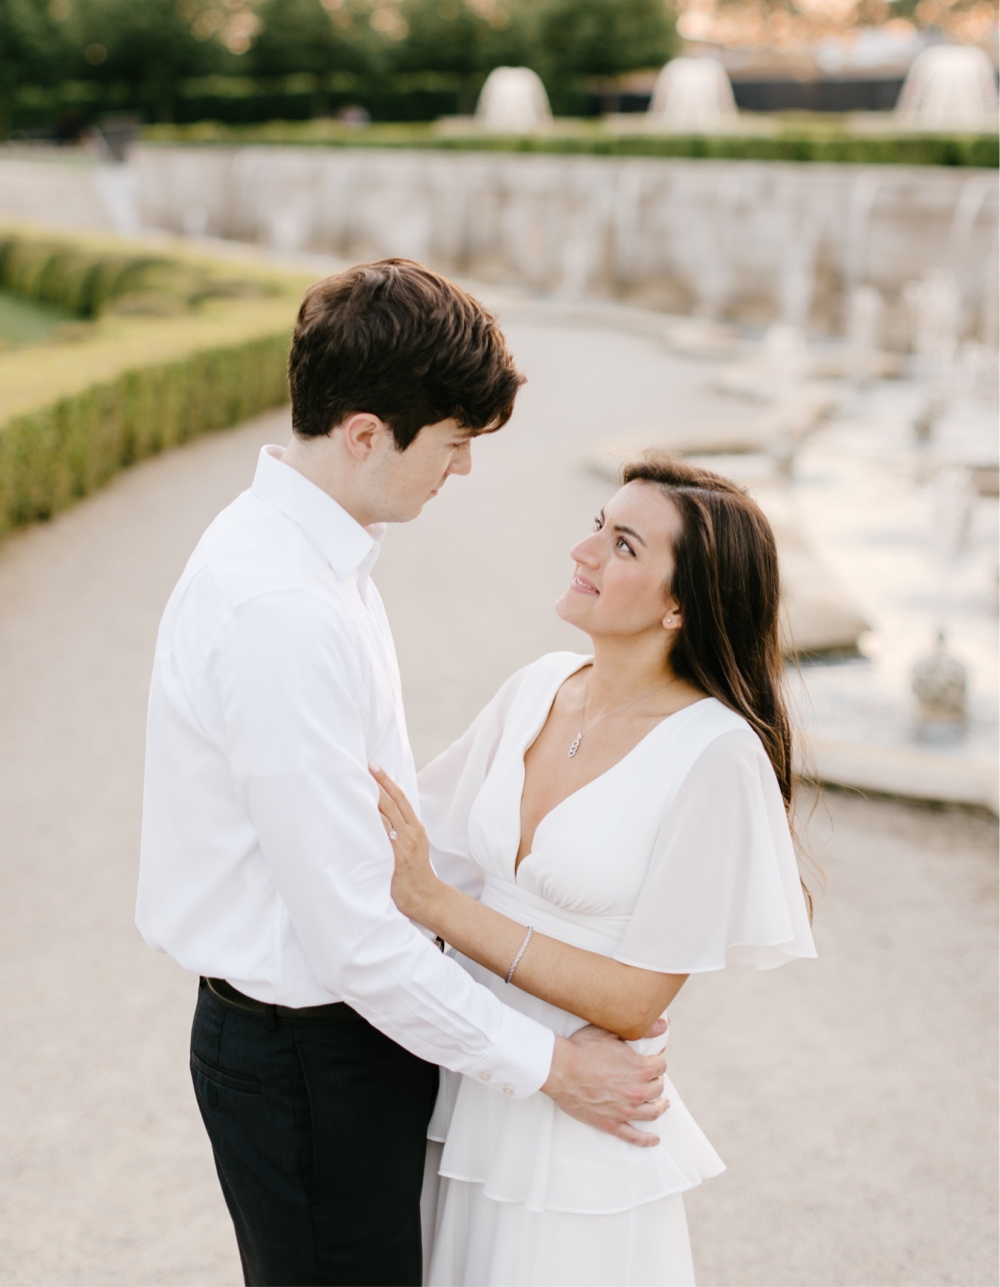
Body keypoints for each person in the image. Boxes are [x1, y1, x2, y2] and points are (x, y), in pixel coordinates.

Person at [135, 259, 669, 1287]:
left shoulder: (309, 554)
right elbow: (353, 939)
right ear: (366, 434)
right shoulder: (282, 609)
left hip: (332, 1046)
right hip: (307, 1059)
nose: (461, 470)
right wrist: (555, 1068)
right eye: (453, 443)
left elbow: (384, 825)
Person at [373, 457, 817, 1287]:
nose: (583, 552)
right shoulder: (536, 687)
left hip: (576, 1133)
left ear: (681, 605)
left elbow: (637, 997)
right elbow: (410, 833)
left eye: (623, 545)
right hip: (462, 1083)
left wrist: (438, 906)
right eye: (598, 526)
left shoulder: (716, 754)